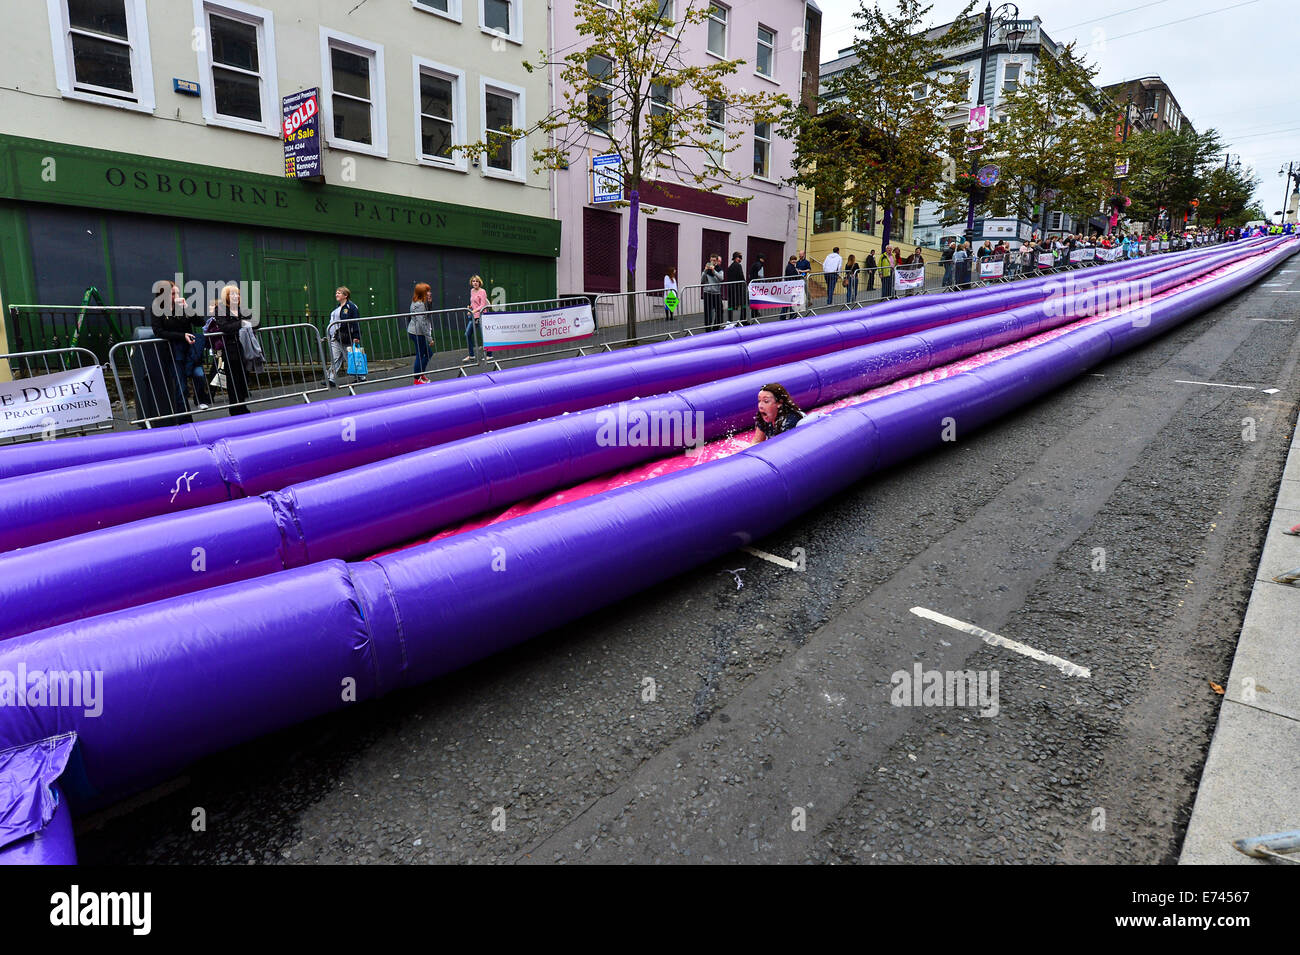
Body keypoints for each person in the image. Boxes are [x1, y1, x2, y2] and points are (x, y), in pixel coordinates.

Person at [150, 279, 205, 420]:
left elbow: (200, 322)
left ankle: (200, 400)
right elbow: (159, 331)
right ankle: (185, 420)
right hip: (173, 350)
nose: (176, 296)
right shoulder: (157, 308)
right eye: (173, 293)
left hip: (189, 350)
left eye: (177, 293)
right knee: (181, 387)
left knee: (199, 375)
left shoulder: (182, 307)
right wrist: (182, 335)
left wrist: (188, 307)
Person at [212, 284, 252, 415]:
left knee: (243, 378)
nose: (237, 296)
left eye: (238, 294)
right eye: (233, 294)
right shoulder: (221, 309)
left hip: (242, 348)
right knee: (233, 379)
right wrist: (241, 323)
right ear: (226, 296)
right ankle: (235, 408)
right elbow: (224, 327)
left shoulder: (241, 309)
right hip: (229, 349)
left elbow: (256, 322)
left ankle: (243, 405)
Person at [326, 286, 363, 386]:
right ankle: (331, 378)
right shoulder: (337, 308)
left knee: (350, 356)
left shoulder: (351, 307)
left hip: (346, 337)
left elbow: (355, 322)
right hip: (336, 337)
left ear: (345, 295)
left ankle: (360, 376)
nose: (336, 294)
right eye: (336, 293)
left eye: (339, 293)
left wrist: (356, 336)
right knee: (335, 358)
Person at [408, 282, 433, 384]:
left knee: (427, 353)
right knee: (422, 354)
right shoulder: (420, 304)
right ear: (422, 293)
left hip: (416, 332)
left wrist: (430, 303)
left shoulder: (418, 302)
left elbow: (426, 315)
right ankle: (417, 378)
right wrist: (429, 339)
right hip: (418, 333)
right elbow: (422, 323)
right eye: (427, 291)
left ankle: (420, 374)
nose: (429, 293)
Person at [464, 274, 490, 361]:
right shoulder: (472, 291)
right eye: (473, 281)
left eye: (477, 281)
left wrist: (473, 311)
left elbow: (482, 305)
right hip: (473, 317)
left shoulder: (482, 291)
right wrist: (470, 309)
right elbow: (473, 304)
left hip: (481, 316)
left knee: (485, 336)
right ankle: (471, 355)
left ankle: (489, 355)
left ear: (480, 283)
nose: (475, 283)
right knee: (467, 334)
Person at [701, 254, 724, 329]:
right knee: (708, 312)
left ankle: (716, 327)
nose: (712, 262)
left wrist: (714, 271)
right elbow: (702, 281)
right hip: (707, 293)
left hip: (716, 293)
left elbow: (721, 278)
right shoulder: (706, 270)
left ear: (717, 261)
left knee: (719, 310)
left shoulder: (719, 269)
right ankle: (707, 328)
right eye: (711, 260)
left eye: (714, 260)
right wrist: (705, 271)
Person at [724, 251, 747, 324]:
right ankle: (743, 320)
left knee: (730, 305)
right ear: (736, 258)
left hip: (731, 289)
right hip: (739, 289)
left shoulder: (730, 267)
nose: (741, 259)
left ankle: (730, 320)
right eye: (740, 257)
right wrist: (745, 284)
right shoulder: (738, 266)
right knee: (743, 304)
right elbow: (741, 276)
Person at [746, 254, 765, 320]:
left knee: (754, 298)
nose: (764, 260)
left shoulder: (754, 264)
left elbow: (749, 275)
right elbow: (760, 275)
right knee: (757, 299)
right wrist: (763, 283)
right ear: (760, 258)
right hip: (757, 284)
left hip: (753, 284)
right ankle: (755, 313)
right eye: (763, 258)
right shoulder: (760, 265)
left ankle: (754, 313)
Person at [781, 254, 800, 320]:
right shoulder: (790, 267)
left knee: (787, 302)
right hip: (791, 286)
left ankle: (783, 316)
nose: (794, 262)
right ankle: (792, 316)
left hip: (789, 286)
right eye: (793, 261)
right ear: (790, 260)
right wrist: (798, 274)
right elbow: (793, 276)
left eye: (795, 261)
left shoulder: (790, 266)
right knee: (792, 302)